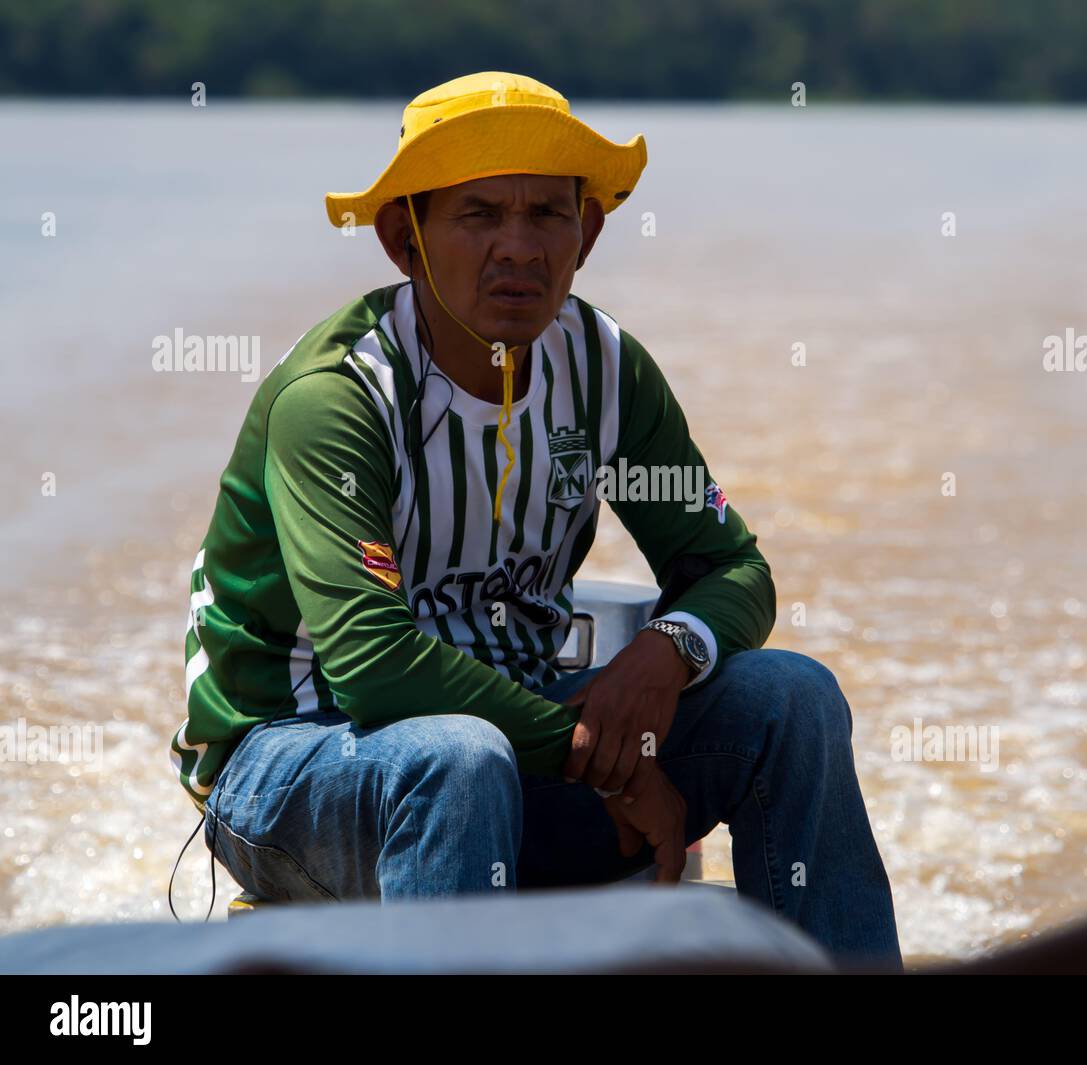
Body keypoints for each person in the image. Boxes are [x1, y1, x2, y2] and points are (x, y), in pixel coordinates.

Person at [169, 71, 901, 964]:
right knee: (457, 760)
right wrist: (607, 762)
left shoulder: (604, 373)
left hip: (521, 762)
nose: (518, 247)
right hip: (295, 767)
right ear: (406, 240)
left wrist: (667, 651)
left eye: (547, 215)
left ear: (585, 235)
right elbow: (372, 664)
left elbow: (732, 568)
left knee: (792, 699)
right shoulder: (336, 400)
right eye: (478, 215)